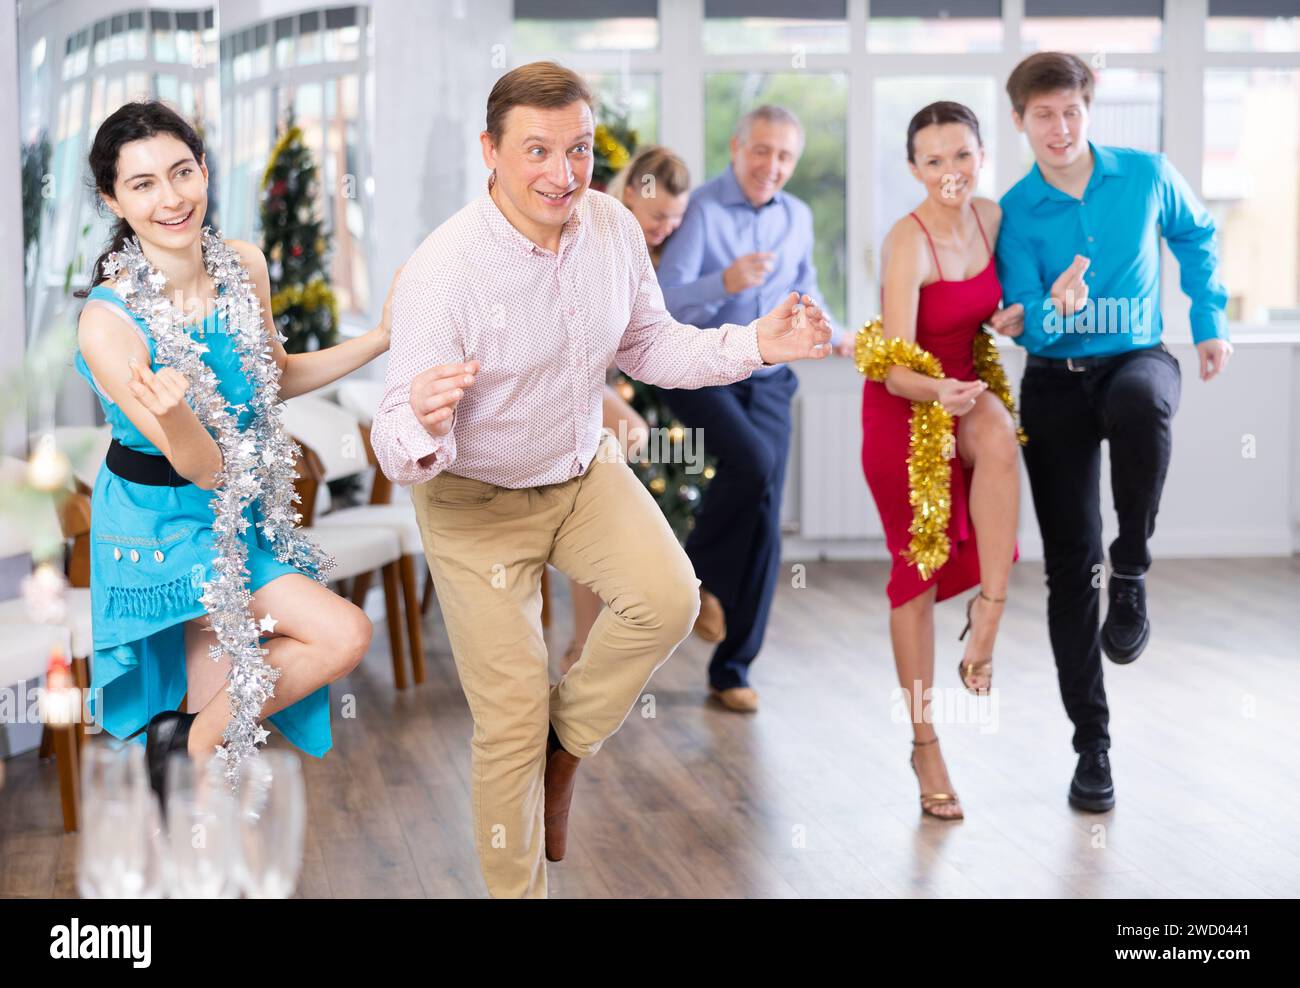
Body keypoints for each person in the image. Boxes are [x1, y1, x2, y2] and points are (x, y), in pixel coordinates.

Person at [369, 62, 833, 899]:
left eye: (576, 149)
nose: (561, 173)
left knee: (669, 600)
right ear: (492, 151)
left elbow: (651, 345)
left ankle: (565, 743)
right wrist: (425, 422)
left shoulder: (613, 227)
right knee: (507, 724)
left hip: (582, 472)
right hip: (474, 501)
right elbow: (391, 439)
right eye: (537, 150)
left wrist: (755, 343)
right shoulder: (446, 269)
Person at [72, 101, 396, 803]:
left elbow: (272, 377)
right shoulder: (108, 322)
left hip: (232, 509)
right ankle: (181, 745)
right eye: (144, 184)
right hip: (156, 524)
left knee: (223, 737)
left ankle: (181, 752)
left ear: (205, 170)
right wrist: (176, 414)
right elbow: (198, 462)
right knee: (341, 634)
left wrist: (378, 341)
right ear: (113, 199)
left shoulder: (242, 265)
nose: (172, 197)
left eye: (182, 172)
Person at [993, 52, 1232, 812]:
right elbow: (1026, 313)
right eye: (1042, 116)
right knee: (1070, 568)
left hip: (1136, 356)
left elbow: (1197, 234)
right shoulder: (1017, 210)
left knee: (1143, 405)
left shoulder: (1148, 172)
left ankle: (1132, 568)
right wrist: (1056, 304)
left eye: (1071, 112)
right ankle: (1091, 746)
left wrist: (1208, 320)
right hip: (1054, 384)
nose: (1059, 129)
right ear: (1020, 121)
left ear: (1088, 109)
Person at [656, 105, 852, 714]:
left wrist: (835, 330)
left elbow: (806, 285)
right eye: (762, 151)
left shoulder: (797, 215)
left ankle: (733, 668)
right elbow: (661, 300)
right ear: (737, 147)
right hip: (704, 366)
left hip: (770, 372)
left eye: (785, 156)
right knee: (753, 463)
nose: (773, 166)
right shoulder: (703, 209)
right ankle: (694, 580)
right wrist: (726, 283)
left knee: (766, 511)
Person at [862, 102, 1023, 821]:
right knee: (916, 580)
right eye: (934, 160)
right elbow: (895, 367)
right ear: (913, 169)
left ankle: (988, 617)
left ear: (981, 154)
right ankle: (925, 740)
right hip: (908, 403)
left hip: (966, 388)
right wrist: (939, 391)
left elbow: (997, 304)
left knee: (998, 437)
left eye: (961, 155)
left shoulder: (991, 218)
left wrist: (1009, 317)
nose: (950, 172)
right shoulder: (908, 240)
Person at [556, 145, 691, 675]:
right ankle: (584, 638)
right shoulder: (596, 228)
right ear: (632, 193)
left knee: (624, 456)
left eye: (675, 221)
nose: (665, 229)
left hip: (607, 380)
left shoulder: (643, 241)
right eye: (658, 216)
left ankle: (593, 631)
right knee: (628, 440)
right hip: (574, 379)